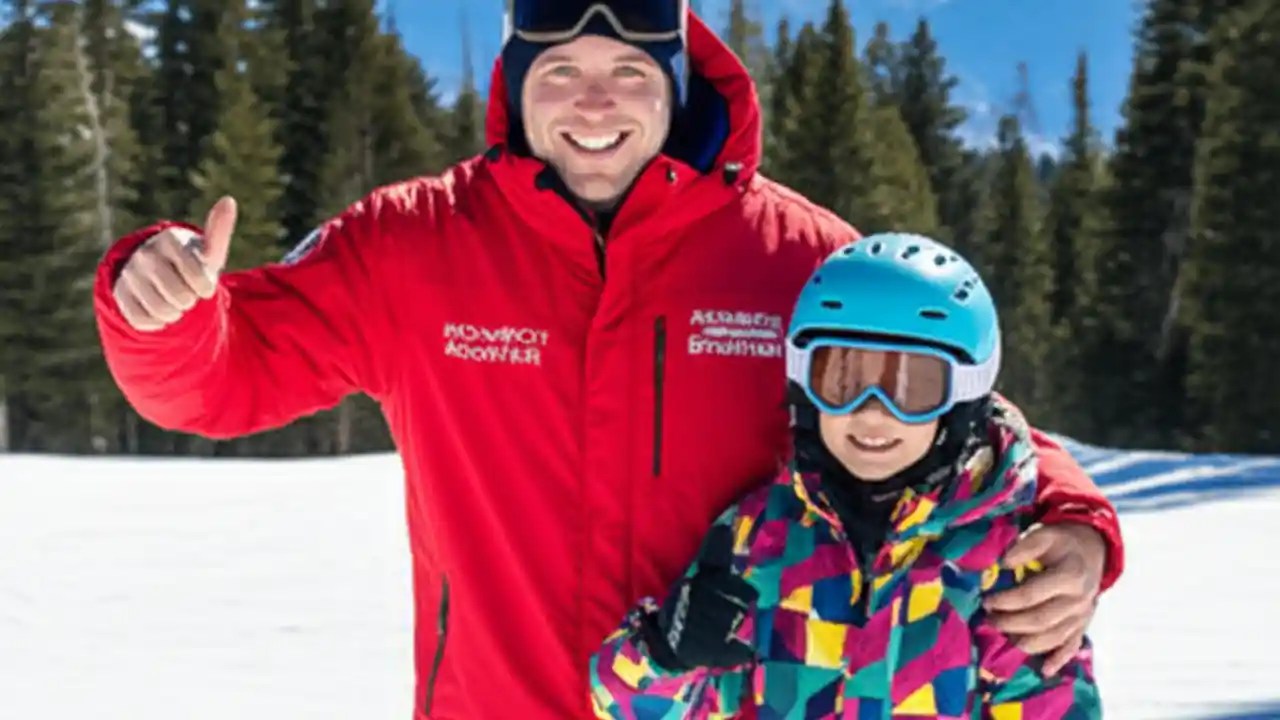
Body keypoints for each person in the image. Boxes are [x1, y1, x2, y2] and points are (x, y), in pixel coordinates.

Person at [91, 2, 1123, 718]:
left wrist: (1074, 523)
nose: (595, 104)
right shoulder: (413, 245)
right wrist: (161, 312)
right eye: (562, 72)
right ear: (514, 80)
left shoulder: (791, 253)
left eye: (629, 71)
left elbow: (946, 412)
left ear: (673, 84)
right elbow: (223, 377)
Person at [589, 233, 1101, 719]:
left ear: (963, 397)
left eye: (911, 386)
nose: (872, 412)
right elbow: (634, 709)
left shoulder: (999, 560)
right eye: (842, 379)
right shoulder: (760, 538)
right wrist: (664, 655)